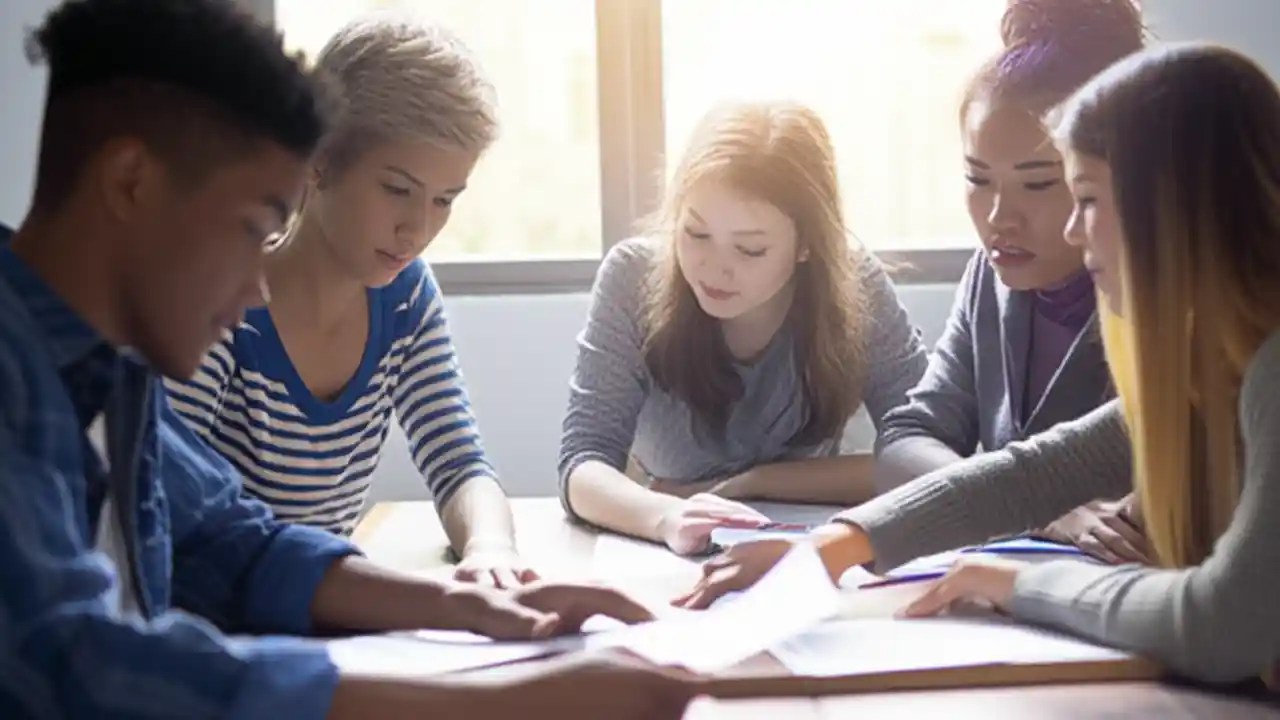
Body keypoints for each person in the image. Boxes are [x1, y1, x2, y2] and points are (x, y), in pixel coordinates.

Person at [0, 1, 695, 717]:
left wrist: (479, 610)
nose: (251, 287)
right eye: (247, 230)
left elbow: (230, 543)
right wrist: (499, 703)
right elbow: (68, 663)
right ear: (131, 182)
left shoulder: (111, 371)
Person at [676, 42, 1280, 685]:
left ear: (1175, 206)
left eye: (1089, 200)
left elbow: (1224, 624)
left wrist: (1023, 584)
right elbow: (1035, 471)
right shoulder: (1214, 369)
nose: (1077, 233)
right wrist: (831, 548)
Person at [165, 11, 532, 588]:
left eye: (444, 201)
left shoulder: (406, 296)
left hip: (326, 604)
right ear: (318, 159)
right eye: (397, 190)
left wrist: (490, 549)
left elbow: (458, 461)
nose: (418, 229)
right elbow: (169, 506)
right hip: (228, 611)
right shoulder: (227, 296)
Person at [559, 101, 928, 554]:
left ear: (807, 246)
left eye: (750, 250)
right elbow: (583, 464)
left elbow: (931, 455)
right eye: (695, 234)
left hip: (814, 549)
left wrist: (753, 483)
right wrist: (669, 517)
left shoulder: (855, 284)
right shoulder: (632, 277)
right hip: (666, 546)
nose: (714, 268)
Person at [875, 0, 1149, 563]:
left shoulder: (1169, 292)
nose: (1000, 217)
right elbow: (905, 439)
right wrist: (1033, 508)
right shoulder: (990, 275)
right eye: (978, 179)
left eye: (1039, 184)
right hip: (1015, 590)